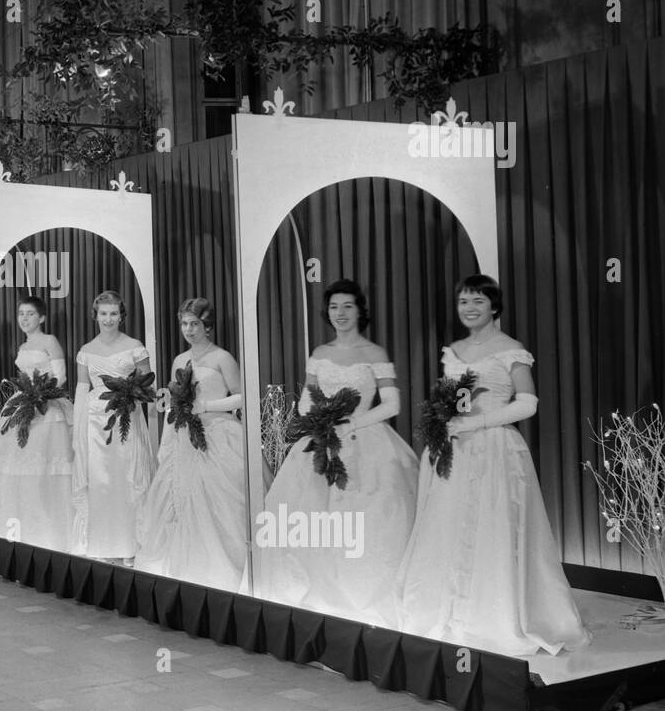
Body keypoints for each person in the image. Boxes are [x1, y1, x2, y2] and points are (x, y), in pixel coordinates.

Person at [396, 275, 590, 656]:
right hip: (455, 449)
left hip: (495, 448)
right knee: (448, 526)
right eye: (464, 302)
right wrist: (445, 424)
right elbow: (453, 398)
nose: (469, 308)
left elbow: (528, 402)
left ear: (494, 307)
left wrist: (478, 422)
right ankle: (448, 609)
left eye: (478, 302)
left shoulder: (510, 349)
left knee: (492, 529)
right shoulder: (454, 350)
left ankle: (492, 616)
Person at [250, 280, 418, 626]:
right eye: (334, 307)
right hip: (320, 438)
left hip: (366, 439)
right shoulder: (319, 354)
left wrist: (351, 425)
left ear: (360, 311)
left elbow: (391, 404)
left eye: (347, 307)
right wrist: (318, 421)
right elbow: (307, 399)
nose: (340, 314)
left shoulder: (375, 354)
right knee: (305, 520)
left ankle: (360, 597)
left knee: (368, 520)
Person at [135, 298, 249, 590]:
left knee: (217, 501)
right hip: (184, 435)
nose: (189, 329)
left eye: (195, 323)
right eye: (185, 323)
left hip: (218, 433)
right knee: (177, 499)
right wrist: (167, 441)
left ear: (207, 326)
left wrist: (207, 406)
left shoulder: (223, 358)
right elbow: (176, 403)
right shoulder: (179, 360)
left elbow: (241, 397)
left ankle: (216, 569)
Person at [0, 296, 76, 552]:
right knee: (18, 460)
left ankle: (46, 526)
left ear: (42, 318)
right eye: (21, 314)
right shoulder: (24, 347)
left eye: (30, 314)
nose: (24, 319)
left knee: (42, 462)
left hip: (46, 406)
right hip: (23, 401)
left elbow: (60, 377)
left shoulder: (50, 341)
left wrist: (39, 396)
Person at [71, 290, 157, 562]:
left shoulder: (134, 346)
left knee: (127, 477)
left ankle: (131, 545)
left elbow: (147, 385)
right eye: (104, 314)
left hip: (126, 416)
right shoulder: (86, 351)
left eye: (114, 313)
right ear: (95, 316)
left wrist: (131, 396)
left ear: (122, 315)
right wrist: (79, 428)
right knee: (101, 481)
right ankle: (102, 545)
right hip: (95, 423)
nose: (109, 319)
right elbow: (82, 389)